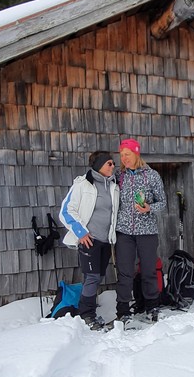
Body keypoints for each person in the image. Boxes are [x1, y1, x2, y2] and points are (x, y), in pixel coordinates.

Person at [59, 151, 119, 328]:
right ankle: (87, 315)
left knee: (97, 276)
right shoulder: (83, 184)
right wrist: (81, 233)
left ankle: (87, 309)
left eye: (113, 163)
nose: (113, 166)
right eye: (109, 163)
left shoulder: (114, 185)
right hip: (89, 239)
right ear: (99, 165)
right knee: (92, 277)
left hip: (106, 240)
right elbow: (66, 211)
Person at [114, 138, 166, 320]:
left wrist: (149, 208)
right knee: (125, 271)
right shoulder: (119, 177)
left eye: (127, 154)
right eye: (121, 155)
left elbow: (163, 202)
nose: (124, 158)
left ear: (136, 153)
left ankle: (152, 306)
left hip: (147, 231)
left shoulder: (152, 176)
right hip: (124, 232)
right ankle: (123, 310)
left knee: (149, 270)